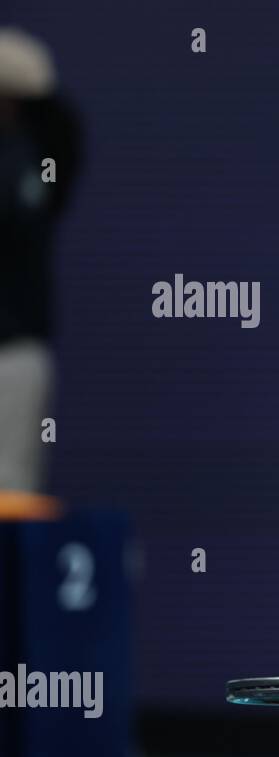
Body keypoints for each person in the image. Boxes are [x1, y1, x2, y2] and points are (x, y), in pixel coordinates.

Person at [0, 27, 80, 493]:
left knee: (8, 491)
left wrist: (28, 80)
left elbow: (63, 130)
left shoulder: (38, 159)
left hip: (13, 352)